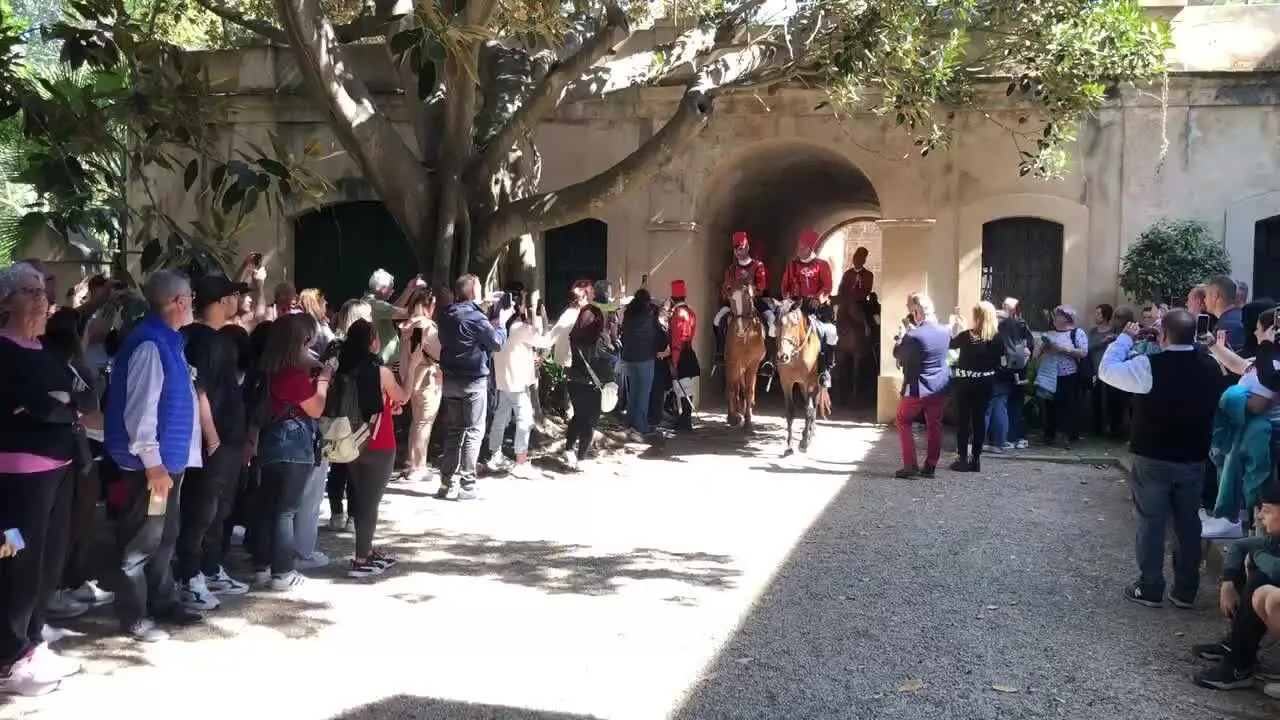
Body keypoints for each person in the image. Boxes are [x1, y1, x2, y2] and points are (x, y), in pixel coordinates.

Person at [103, 269, 206, 643]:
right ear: (179, 302)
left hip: (166, 466)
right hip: (153, 468)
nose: (193, 302)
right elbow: (140, 411)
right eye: (190, 297)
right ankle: (134, 614)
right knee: (142, 540)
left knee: (164, 536)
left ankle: (164, 602)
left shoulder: (167, 341)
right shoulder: (149, 344)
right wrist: (154, 464)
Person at [1097, 309, 1222, 608]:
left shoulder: (1149, 365)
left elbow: (1107, 370)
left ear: (1162, 334)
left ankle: (1151, 586)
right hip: (1193, 455)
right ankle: (1186, 589)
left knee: (1151, 522)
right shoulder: (1210, 365)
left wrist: (1125, 339)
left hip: (1153, 455)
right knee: (1188, 523)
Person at [0, 264, 85, 695]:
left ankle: (32, 642)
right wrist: (54, 405)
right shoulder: (3, 351)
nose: (40, 298)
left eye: (41, 290)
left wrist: (58, 404)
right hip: (16, 480)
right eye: (27, 290)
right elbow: (31, 405)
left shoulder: (47, 350)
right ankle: (8, 658)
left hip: (59, 469)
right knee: (15, 559)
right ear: (5, 301)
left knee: (48, 561)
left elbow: (83, 397)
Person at [171, 275, 253, 613]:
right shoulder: (202, 341)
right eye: (234, 295)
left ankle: (208, 568)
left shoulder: (213, 339)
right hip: (213, 443)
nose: (238, 301)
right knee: (201, 510)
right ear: (222, 301)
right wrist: (212, 435)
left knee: (218, 509)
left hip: (227, 440)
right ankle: (189, 578)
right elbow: (198, 389)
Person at [246, 313, 332, 591]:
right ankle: (283, 573)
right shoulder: (292, 374)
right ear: (301, 340)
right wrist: (324, 381)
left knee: (267, 509)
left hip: (270, 442)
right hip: (293, 444)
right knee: (286, 511)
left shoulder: (267, 370)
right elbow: (316, 408)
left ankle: (263, 567)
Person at [334, 319, 408, 577]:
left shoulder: (341, 369)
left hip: (352, 440)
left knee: (362, 496)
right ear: (372, 342)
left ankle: (365, 550)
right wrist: (410, 356)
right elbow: (402, 395)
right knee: (370, 503)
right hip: (380, 442)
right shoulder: (381, 371)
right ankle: (361, 558)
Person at [1192, 482, 1280, 691]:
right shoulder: (1274, 539)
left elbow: (1277, 570)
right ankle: (1237, 646)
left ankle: (1239, 665)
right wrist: (1228, 582)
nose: (1260, 516)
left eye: (1266, 511)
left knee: (1261, 579)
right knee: (1250, 568)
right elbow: (1239, 545)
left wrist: (1255, 556)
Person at [436, 274, 510, 499]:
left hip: (450, 379)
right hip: (473, 381)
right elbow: (496, 343)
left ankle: (446, 483)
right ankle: (468, 484)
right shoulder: (477, 318)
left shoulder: (446, 314)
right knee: (474, 431)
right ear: (473, 292)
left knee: (455, 431)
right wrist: (502, 323)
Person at [486, 293, 552, 476]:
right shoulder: (520, 328)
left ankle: (495, 454)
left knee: (501, 417)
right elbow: (545, 341)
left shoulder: (495, 327)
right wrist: (545, 319)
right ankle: (521, 461)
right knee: (525, 419)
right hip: (517, 382)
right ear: (516, 307)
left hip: (503, 380)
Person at [324, 300, 372, 529]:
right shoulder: (367, 354)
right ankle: (352, 515)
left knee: (337, 465)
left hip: (335, 413)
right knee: (354, 467)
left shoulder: (335, 348)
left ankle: (337, 514)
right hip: (358, 415)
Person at [892, 292, 950, 479]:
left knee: (903, 420)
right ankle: (931, 465)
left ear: (917, 312)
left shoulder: (913, 335)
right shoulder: (944, 331)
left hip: (917, 388)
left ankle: (910, 465)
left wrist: (901, 336)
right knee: (934, 425)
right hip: (939, 386)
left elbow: (899, 355)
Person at [780, 228, 838, 388]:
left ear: (810, 248)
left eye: (802, 248)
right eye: (798, 247)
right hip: (796, 306)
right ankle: (774, 363)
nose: (799, 250)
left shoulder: (822, 265)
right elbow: (784, 286)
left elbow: (828, 287)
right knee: (779, 327)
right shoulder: (792, 266)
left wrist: (818, 299)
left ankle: (826, 369)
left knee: (831, 333)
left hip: (817, 308)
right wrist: (787, 299)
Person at [948, 301, 1002, 472]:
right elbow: (1000, 361)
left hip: (965, 382)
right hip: (986, 382)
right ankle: (976, 459)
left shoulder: (966, 336)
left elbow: (950, 344)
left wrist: (957, 326)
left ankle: (962, 458)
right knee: (979, 421)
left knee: (963, 421)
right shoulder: (996, 338)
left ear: (977, 317)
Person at [563, 298, 614, 469]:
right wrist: (611, 340)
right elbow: (610, 359)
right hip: (592, 384)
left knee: (579, 417)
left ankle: (569, 449)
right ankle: (581, 458)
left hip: (575, 381)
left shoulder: (574, 335)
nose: (587, 321)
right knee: (590, 421)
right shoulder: (597, 339)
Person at [399, 288, 442, 483]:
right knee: (424, 424)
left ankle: (412, 463)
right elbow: (441, 354)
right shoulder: (429, 328)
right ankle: (419, 467)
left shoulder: (407, 326)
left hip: (410, 380)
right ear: (427, 306)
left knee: (416, 423)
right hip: (428, 380)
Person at [1033, 306, 1089, 447]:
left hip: (1068, 374)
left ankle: (1070, 435)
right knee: (1049, 406)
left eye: (1058, 315)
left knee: (1069, 406)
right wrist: (1042, 348)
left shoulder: (1077, 333)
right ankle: (1049, 434)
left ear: (1066, 318)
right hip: (1049, 374)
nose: (1055, 317)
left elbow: (1083, 352)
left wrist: (1064, 349)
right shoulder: (1049, 334)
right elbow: (1035, 356)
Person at [619, 289, 664, 437]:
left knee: (633, 392)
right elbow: (659, 332)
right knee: (644, 393)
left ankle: (630, 422)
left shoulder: (628, 314)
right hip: (645, 358)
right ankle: (640, 426)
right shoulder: (650, 315)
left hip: (629, 357)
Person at [713, 231, 775, 338]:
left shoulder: (758, 266)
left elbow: (762, 286)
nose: (738, 252)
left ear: (747, 248)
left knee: (771, 318)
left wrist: (752, 290)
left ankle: (770, 350)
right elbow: (725, 288)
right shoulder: (731, 269)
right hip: (734, 302)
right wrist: (728, 293)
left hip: (754, 301)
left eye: (741, 248)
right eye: (736, 249)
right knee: (717, 320)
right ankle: (720, 350)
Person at [364, 269, 417, 367]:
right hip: (385, 363)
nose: (392, 291)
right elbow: (402, 313)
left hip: (382, 361)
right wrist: (419, 298)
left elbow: (393, 310)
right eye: (391, 288)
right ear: (383, 289)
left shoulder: (372, 302)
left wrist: (410, 290)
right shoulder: (376, 305)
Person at [668, 280, 699, 432]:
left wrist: (674, 361)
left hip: (680, 354)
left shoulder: (678, 315)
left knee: (682, 388)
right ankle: (686, 419)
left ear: (673, 298)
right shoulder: (691, 312)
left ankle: (685, 421)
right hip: (689, 352)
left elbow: (677, 339)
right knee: (688, 388)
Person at [1206, 275, 1245, 353]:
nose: (1204, 300)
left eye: (1206, 296)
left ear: (1215, 296)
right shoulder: (1239, 316)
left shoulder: (1226, 325)